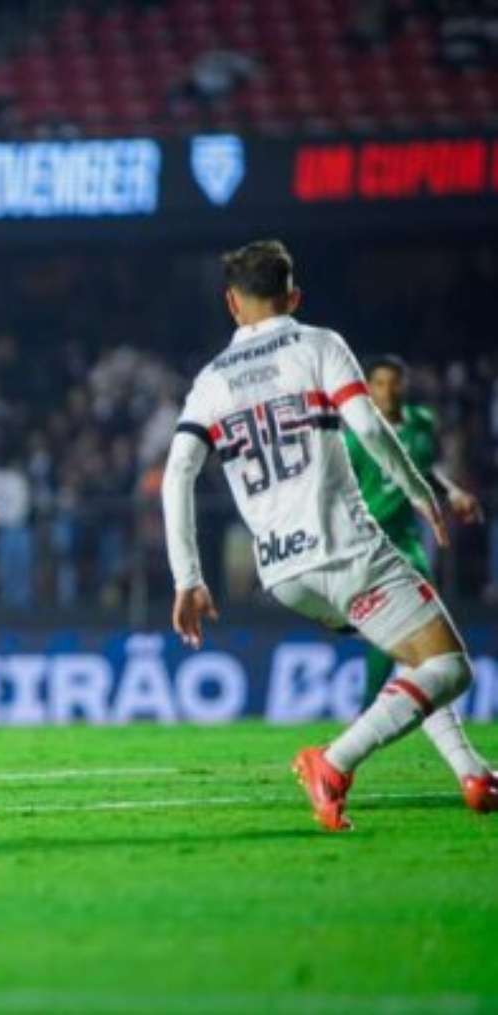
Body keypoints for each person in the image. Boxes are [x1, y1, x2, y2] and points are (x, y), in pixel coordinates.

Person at [161, 239, 495, 831]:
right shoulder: (319, 345)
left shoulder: (211, 381)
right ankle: (333, 764)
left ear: (231, 304)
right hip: (346, 548)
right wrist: (420, 491)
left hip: (284, 574)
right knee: (449, 667)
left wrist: (189, 577)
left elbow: (178, 474)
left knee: (408, 652)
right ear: (293, 295)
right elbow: (367, 425)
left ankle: (472, 773)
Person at [347, 353, 485, 705]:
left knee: (418, 618)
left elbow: (422, 469)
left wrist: (452, 491)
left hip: (406, 539)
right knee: (392, 626)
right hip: (368, 543)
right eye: (379, 383)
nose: (388, 391)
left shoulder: (421, 422)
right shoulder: (355, 436)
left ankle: (399, 705)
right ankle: (374, 707)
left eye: (395, 383)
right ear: (367, 388)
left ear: (405, 386)